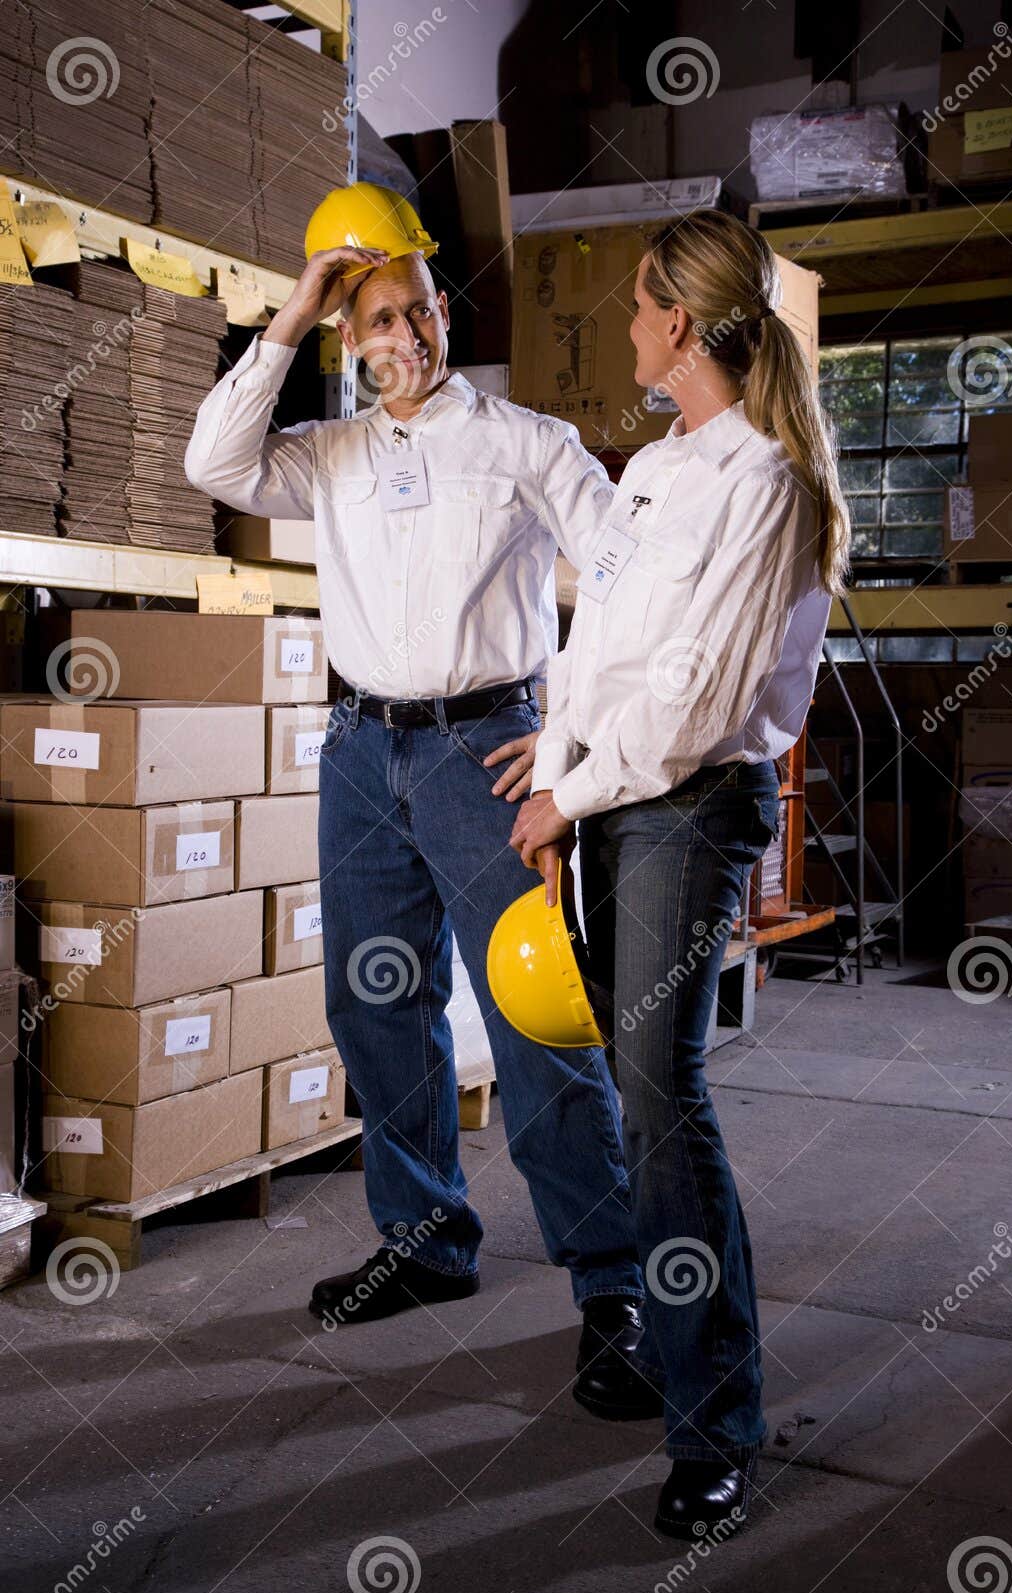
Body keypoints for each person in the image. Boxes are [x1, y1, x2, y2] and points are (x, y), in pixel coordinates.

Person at [184, 186, 649, 1417]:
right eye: (378, 316)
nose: (407, 334)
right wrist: (293, 310)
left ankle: (613, 1284)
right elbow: (211, 462)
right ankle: (426, 1238)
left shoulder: (525, 442)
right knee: (375, 1002)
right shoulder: (328, 454)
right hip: (358, 752)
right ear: (350, 334)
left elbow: (628, 574)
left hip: (485, 754)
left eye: (420, 308)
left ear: (445, 310)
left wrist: (569, 728)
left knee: (534, 1012)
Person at [511, 208, 849, 1540]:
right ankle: (663, 1337)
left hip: (683, 809)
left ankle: (715, 1422)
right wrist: (556, 762)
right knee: (623, 1082)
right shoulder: (655, 467)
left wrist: (569, 791)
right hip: (614, 799)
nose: (625, 323)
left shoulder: (764, 485)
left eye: (640, 303)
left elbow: (695, 704)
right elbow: (595, 645)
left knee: (662, 1106)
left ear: (683, 325)